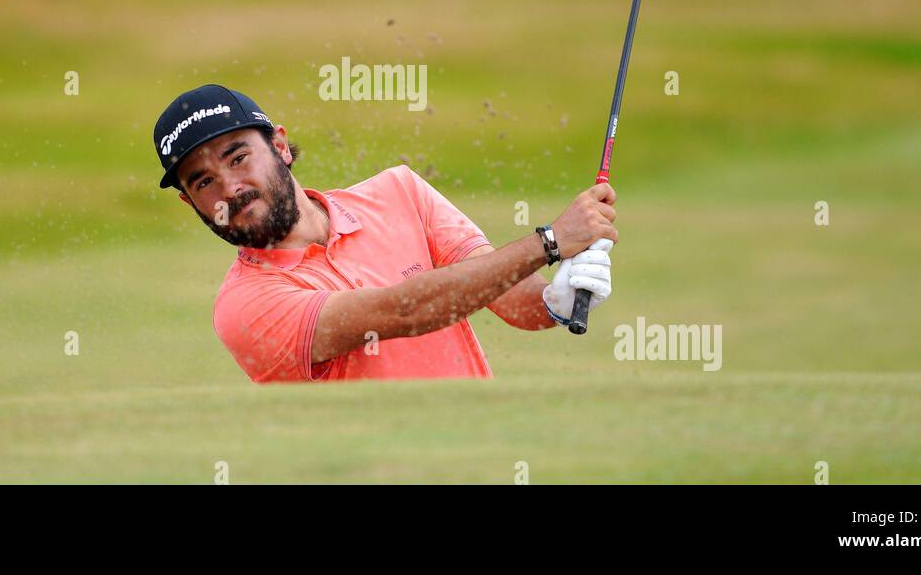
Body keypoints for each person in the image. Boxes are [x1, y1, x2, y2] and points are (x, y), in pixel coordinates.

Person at [154, 84, 618, 383]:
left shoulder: (399, 192)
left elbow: (510, 299)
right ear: (189, 201)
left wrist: (555, 300)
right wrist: (549, 243)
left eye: (238, 158)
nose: (230, 189)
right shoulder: (244, 306)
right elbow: (403, 311)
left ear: (279, 145)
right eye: (203, 181)